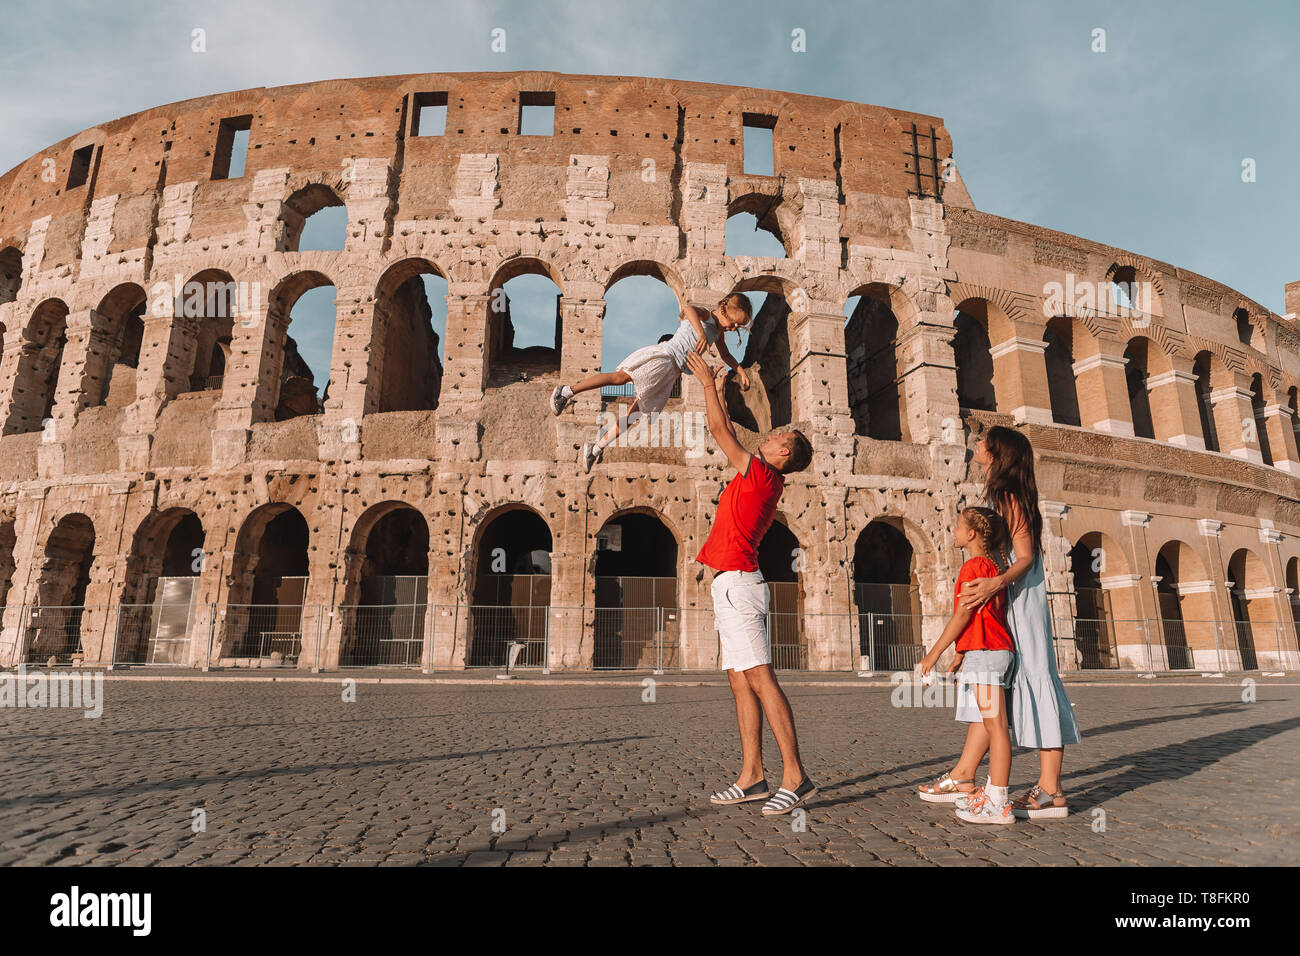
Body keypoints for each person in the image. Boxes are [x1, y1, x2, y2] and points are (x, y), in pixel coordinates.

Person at [683, 350, 817, 816]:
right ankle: (753, 775)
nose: (775, 432)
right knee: (740, 683)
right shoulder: (758, 476)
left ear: (784, 452)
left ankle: (796, 777)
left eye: (782, 433)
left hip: (740, 584)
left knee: (761, 678)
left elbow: (722, 431)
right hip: (729, 585)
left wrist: (708, 382)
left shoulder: (761, 474)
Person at [957, 425, 1080, 820]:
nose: (976, 444)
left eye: (982, 440)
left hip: (1021, 598)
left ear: (996, 452)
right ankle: (971, 776)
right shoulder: (1007, 494)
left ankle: (1050, 788)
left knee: (1037, 678)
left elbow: (1024, 557)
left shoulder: (1009, 495)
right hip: (1013, 595)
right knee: (1005, 688)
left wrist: (995, 581)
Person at [549, 295, 753, 472]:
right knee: (621, 378)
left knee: (634, 414)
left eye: (738, 327)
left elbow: (725, 354)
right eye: (734, 322)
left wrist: (741, 371)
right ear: (724, 309)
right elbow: (689, 309)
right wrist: (700, 332)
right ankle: (566, 391)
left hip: (670, 374)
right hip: (664, 357)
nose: (734, 327)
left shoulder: (718, 333)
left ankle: (595, 449)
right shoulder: (707, 316)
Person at [917, 507, 1017, 825]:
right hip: (986, 651)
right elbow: (980, 618)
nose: (954, 531)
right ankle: (965, 779)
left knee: (996, 727)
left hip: (987, 655)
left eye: (958, 526)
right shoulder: (992, 566)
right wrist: (961, 654)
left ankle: (998, 800)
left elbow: (962, 615)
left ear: (972, 533)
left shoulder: (974, 566)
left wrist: (933, 654)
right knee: (985, 723)